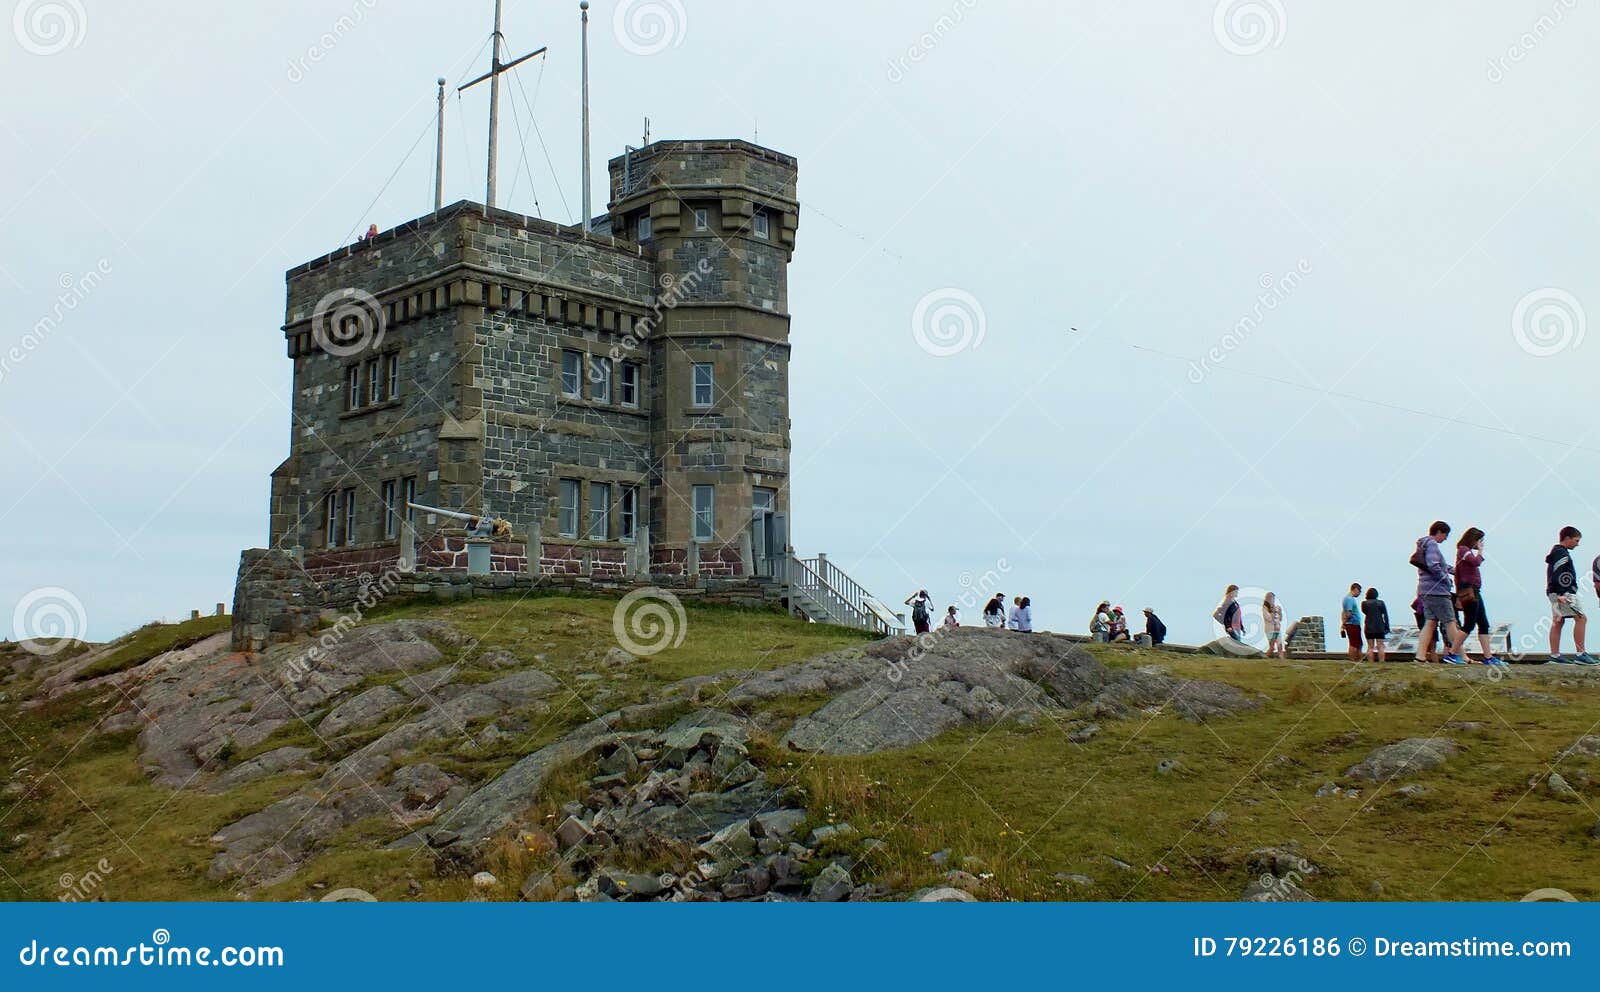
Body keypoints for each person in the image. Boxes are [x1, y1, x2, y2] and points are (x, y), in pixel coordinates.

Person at [1414, 521, 1467, 665]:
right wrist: (1447, 580)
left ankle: (1420, 656)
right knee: (1450, 622)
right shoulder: (1432, 544)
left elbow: (1439, 566)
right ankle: (1459, 655)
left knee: (1430, 623)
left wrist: (1453, 571)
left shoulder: (1423, 544)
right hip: (1437, 591)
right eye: (1445, 535)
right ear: (1439, 532)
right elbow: (1434, 565)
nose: (1445, 538)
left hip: (1425, 590)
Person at [1454, 528, 1505, 667]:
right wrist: (1481, 551)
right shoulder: (1463, 550)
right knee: (1469, 624)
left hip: (1475, 590)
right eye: (1480, 540)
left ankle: (1488, 657)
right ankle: (1452, 654)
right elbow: (1475, 562)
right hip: (1469, 590)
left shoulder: (1466, 551)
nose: (1481, 544)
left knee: (1483, 623)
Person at [1546, 526, 1596, 664]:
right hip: (1564, 592)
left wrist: (1554, 593)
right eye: (1576, 540)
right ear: (1567, 538)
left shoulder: (1556, 552)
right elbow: (1559, 572)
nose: (1577, 544)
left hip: (1554, 591)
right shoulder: (1561, 554)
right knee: (1581, 618)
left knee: (1558, 621)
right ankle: (1581, 654)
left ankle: (1555, 655)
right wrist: (1561, 593)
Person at [1362, 588, 1391, 663]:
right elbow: (1385, 615)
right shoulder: (1380, 603)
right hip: (1379, 626)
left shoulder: (1364, 603)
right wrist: (1386, 626)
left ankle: (1370, 662)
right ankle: (1381, 661)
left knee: (1370, 647)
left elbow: (1365, 612)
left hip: (1369, 626)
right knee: (1380, 646)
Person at [1410, 595, 1439, 662]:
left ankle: (1422, 659)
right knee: (1432, 648)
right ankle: (1436, 663)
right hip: (1431, 625)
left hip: (1422, 625)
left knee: (1424, 647)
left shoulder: (1420, 598)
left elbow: (1413, 605)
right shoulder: (1433, 600)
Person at [1340, 583, 1364, 662]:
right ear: (1355, 589)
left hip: (1353, 624)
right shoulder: (1349, 599)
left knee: (1358, 644)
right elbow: (1349, 613)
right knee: (1354, 644)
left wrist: (1343, 623)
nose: (1359, 593)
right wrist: (1344, 623)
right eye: (1359, 591)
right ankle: (1353, 660)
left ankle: (1357, 660)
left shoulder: (1347, 599)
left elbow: (1343, 612)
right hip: (1352, 624)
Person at [1262, 592, 1285, 658]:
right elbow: (1268, 618)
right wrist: (1273, 612)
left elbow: (1280, 619)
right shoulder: (1265, 608)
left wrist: (1280, 613)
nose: (1273, 600)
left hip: (1277, 629)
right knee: (1272, 648)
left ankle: (1282, 660)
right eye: (1272, 598)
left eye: (1274, 598)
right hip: (1270, 630)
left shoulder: (1276, 607)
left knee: (1280, 646)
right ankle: (1264, 658)